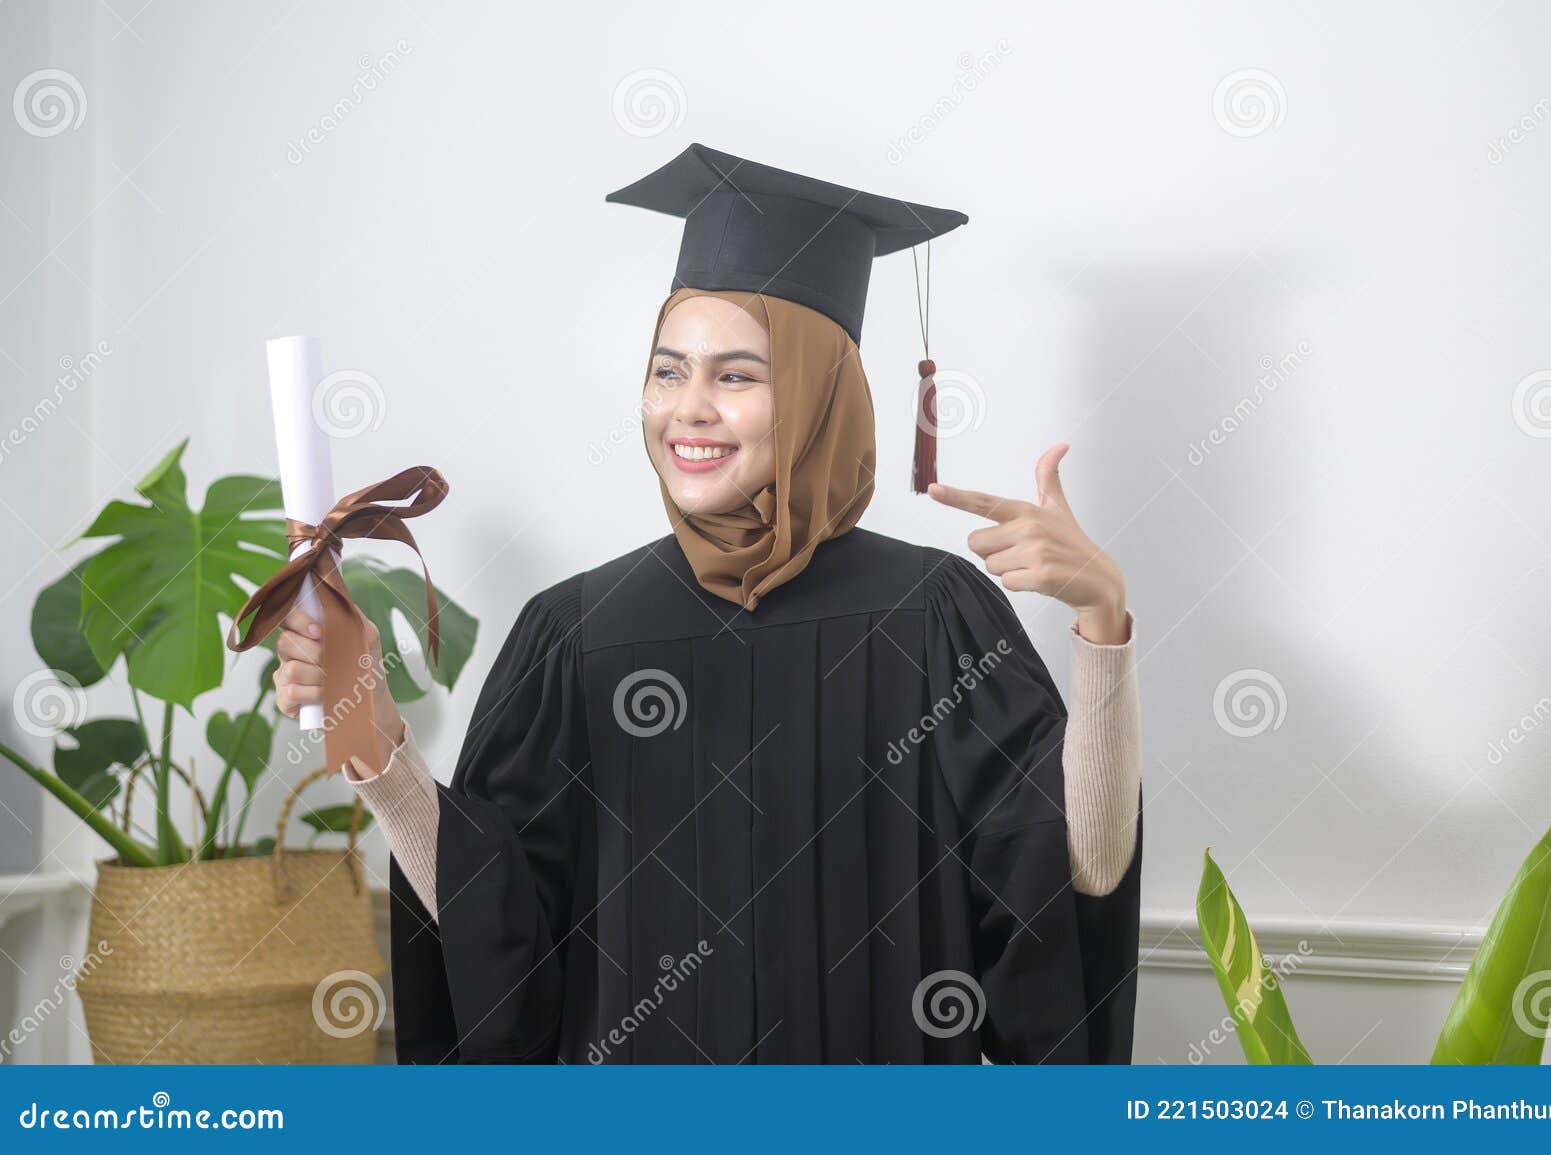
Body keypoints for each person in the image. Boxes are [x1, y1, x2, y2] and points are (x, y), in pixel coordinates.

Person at [272, 145, 1144, 1063]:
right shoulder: (574, 635)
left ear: (817, 398)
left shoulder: (933, 618)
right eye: (666, 370)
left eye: (736, 375)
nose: (687, 407)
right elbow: (502, 941)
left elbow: (1068, 881)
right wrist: (372, 737)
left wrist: (1103, 624)